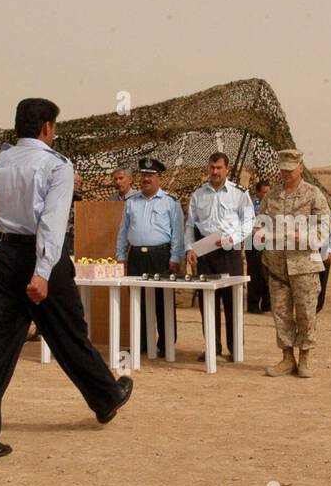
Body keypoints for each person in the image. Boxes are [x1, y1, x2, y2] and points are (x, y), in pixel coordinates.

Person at [0, 97, 133, 462]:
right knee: (68, 333)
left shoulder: (2, 161)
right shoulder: (57, 166)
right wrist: (42, 273)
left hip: (7, 255)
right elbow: (52, 224)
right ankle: (106, 395)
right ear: (46, 128)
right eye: (54, 127)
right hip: (41, 257)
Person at [257, 149, 330, 378]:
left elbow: (325, 226)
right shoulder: (272, 195)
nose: (286, 174)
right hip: (277, 265)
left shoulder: (313, 194)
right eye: (283, 170)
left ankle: (305, 358)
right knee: (281, 313)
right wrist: (262, 234)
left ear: (301, 167)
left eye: (290, 170)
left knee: (306, 313)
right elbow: (259, 223)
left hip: (304, 266)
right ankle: (287, 358)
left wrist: (306, 238)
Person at [185, 152, 254, 361]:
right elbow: (190, 224)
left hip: (228, 252)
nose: (214, 171)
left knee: (232, 302)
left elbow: (249, 222)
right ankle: (212, 348)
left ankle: (235, 349)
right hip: (205, 253)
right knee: (208, 303)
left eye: (219, 168)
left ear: (227, 169)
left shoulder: (239, 193)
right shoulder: (198, 195)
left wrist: (233, 239)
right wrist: (190, 248)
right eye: (212, 167)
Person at [116, 158, 185, 355]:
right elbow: (123, 231)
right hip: (137, 256)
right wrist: (121, 256)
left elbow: (178, 233)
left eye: (151, 175)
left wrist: (175, 257)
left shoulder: (170, 202)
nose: (146, 179)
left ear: (159, 178)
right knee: (137, 301)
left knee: (163, 301)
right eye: (144, 175)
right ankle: (141, 343)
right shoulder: (131, 202)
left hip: (161, 256)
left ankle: (166, 344)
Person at [245, 179, 271, 314]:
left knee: (267, 274)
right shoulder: (253, 205)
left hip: (268, 243)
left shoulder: (271, 204)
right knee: (255, 274)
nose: (267, 195)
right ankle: (253, 305)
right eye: (264, 192)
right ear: (258, 192)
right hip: (253, 242)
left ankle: (267, 304)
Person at [315, 213, 331, 313]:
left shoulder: (325, 212)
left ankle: (318, 306)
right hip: (308, 249)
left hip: (323, 249)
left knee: (322, 279)